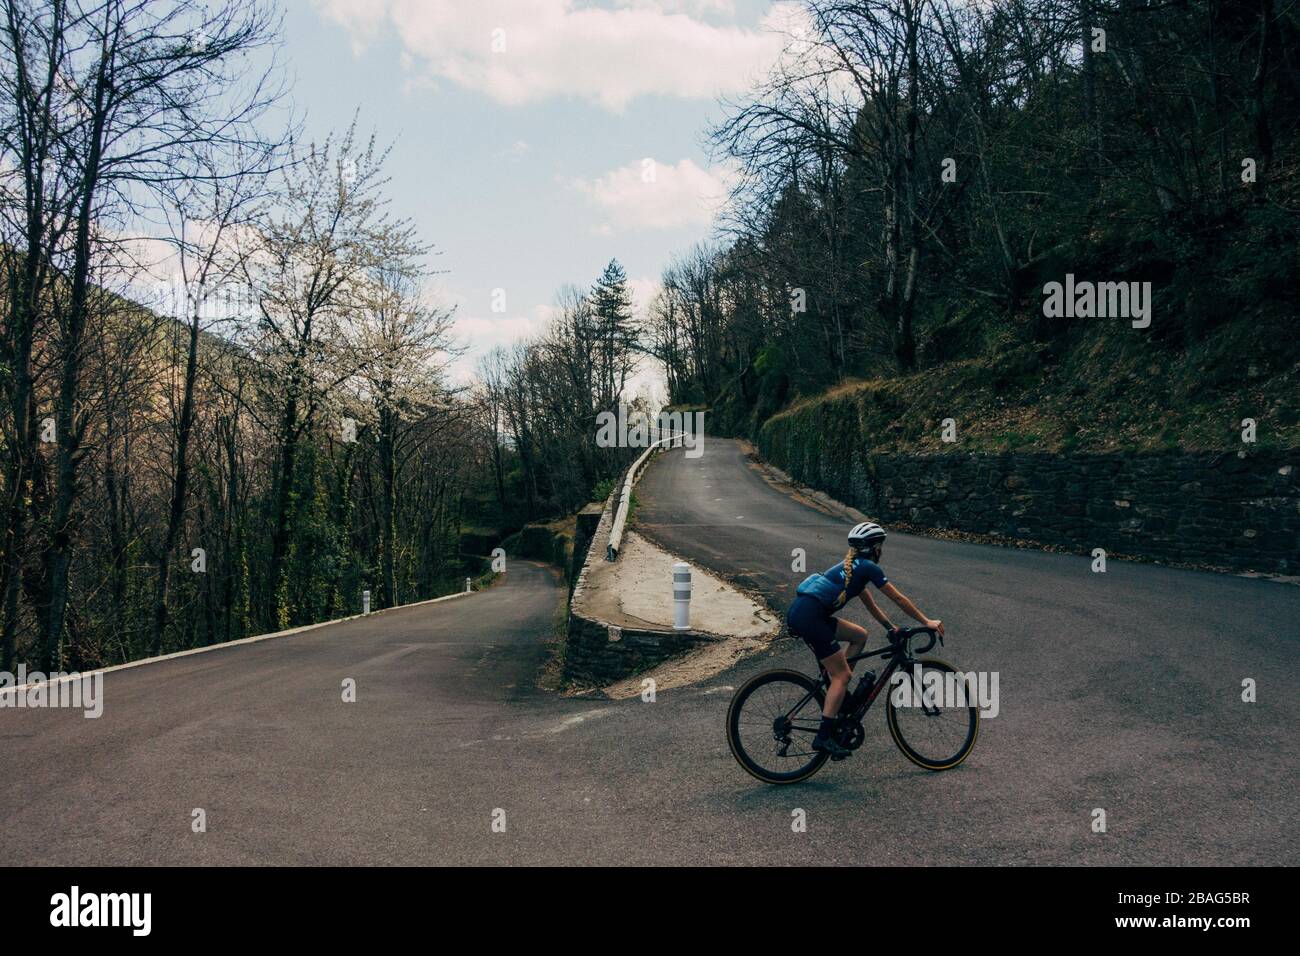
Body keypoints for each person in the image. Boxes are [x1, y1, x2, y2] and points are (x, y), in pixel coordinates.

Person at [787, 521, 945, 759]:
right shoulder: (868, 568)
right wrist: (926, 621)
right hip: (810, 618)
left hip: (808, 614)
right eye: (881, 546)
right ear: (875, 548)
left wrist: (890, 627)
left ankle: (838, 692)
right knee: (842, 675)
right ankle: (823, 736)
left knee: (860, 636)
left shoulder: (853, 568)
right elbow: (898, 598)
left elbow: (871, 605)